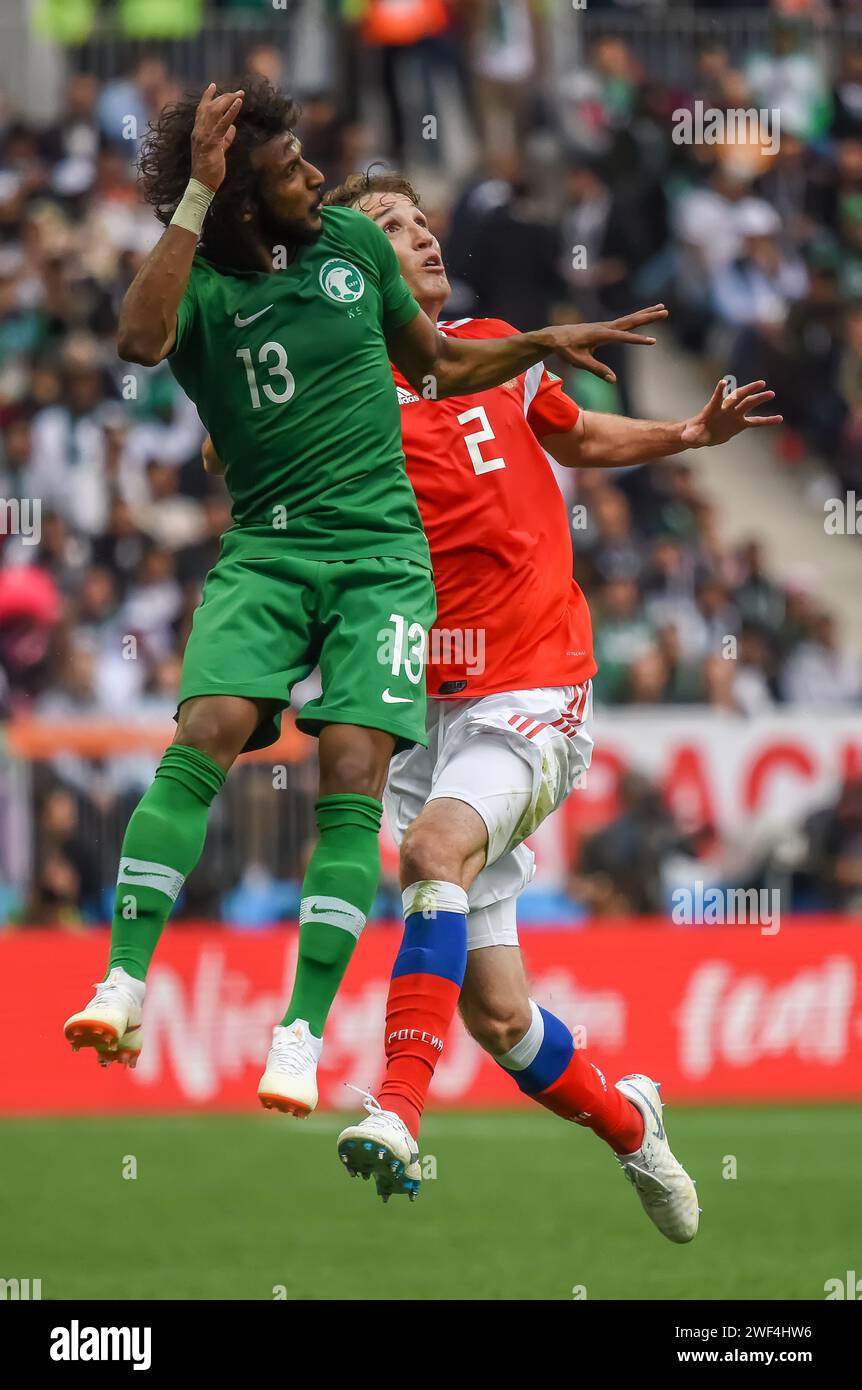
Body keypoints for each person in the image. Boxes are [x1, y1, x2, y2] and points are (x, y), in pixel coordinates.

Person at [62, 78, 666, 1113]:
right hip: (295, 570)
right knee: (500, 1011)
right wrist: (197, 203)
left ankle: (338, 1064)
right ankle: (123, 979)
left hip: (437, 613)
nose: (313, 175)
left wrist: (543, 351)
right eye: (292, 168)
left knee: (364, 786)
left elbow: (444, 367)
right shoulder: (220, 281)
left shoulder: (361, 265)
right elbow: (143, 344)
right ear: (246, 197)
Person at [325, 170, 781, 1241]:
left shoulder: (493, 342)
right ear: (349, 269)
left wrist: (683, 436)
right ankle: (633, 1122)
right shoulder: (341, 392)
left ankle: (396, 1108)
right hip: (419, 703)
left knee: (435, 853)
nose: (426, 237)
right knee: (498, 1017)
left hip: (533, 680)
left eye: (425, 220)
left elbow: (573, 437)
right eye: (395, 229)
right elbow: (234, 459)